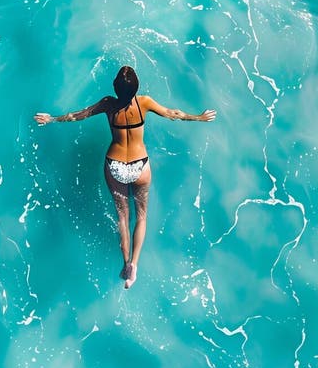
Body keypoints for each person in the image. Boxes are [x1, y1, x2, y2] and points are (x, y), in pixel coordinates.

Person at [33, 65, 216, 289]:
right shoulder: (144, 102)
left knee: (122, 218)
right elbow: (173, 114)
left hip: (115, 165)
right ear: (136, 88)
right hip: (140, 166)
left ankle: (124, 262)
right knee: (141, 217)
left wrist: (51, 119)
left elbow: (79, 115)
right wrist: (198, 117)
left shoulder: (108, 104)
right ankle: (133, 268)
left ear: (115, 88)